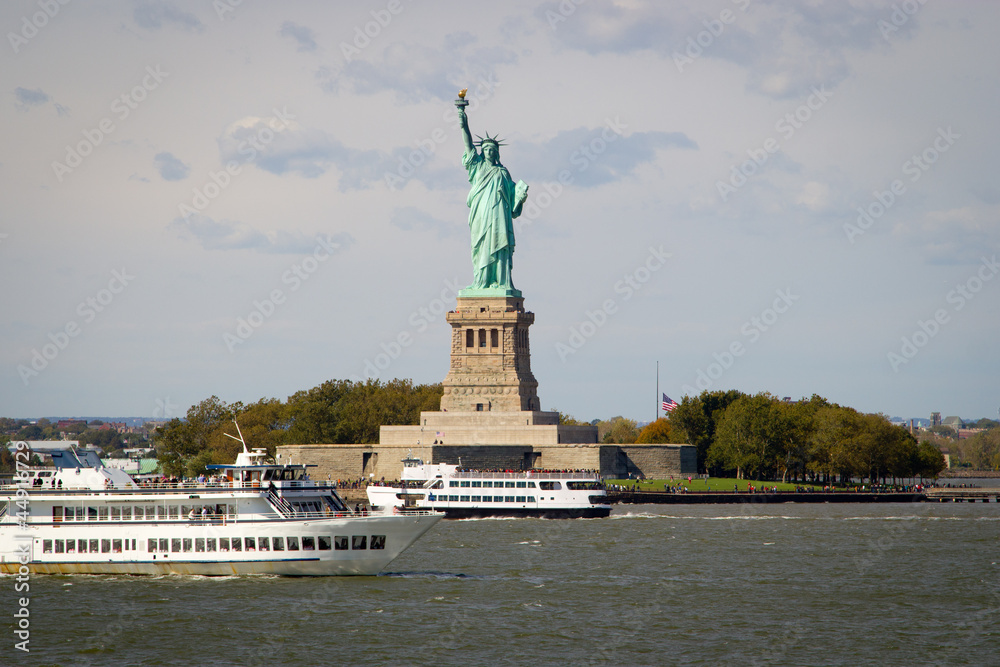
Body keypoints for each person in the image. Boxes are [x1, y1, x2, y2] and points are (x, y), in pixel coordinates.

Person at [457, 103, 529, 291]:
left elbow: (513, 202)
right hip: (481, 213)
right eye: (486, 149)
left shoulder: (503, 172)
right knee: (480, 246)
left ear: (496, 153)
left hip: (499, 216)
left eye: (492, 150)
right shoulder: (477, 166)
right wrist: (463, 122)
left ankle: (501, 281)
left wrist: (519, 199)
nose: (489, 152)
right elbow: (467, 143)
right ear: (482, 152)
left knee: (500, 246)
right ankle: (480, 281)